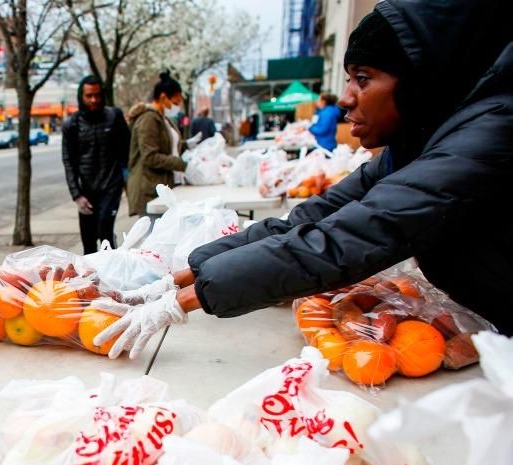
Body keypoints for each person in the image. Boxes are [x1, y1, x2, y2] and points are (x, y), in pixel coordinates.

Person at [94, 0, 512, 359]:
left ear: (421, 83)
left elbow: (349, 239)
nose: (346, 98)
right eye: (348, 78)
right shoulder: (415, 146)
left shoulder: (493, 133)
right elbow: (310, 218)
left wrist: (184, 302)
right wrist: (180, 276)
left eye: (362, 79)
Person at [62, 75, 131, 254]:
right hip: (86, 191)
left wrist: (126, 180)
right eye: (89, 96)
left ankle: (113, 273)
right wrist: (76, 195)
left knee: (104, 230)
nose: (94, 100)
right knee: (89, 242)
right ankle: (91, 279)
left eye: (97, 95)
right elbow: (68, 161)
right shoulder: (72, 124)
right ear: (81, 96)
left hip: (111, 187)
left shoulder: (114, 116)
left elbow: (127, 150)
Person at [125, 71, 188, 216]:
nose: (178, 106)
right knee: (156, 236)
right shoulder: (148, 119)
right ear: (164, 97)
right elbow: (150, 156)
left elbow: (167, 145)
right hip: (149, 189)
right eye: (176, 102)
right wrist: (183, 165)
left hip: (160, 186)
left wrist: (186, 145)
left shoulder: (163, 118)